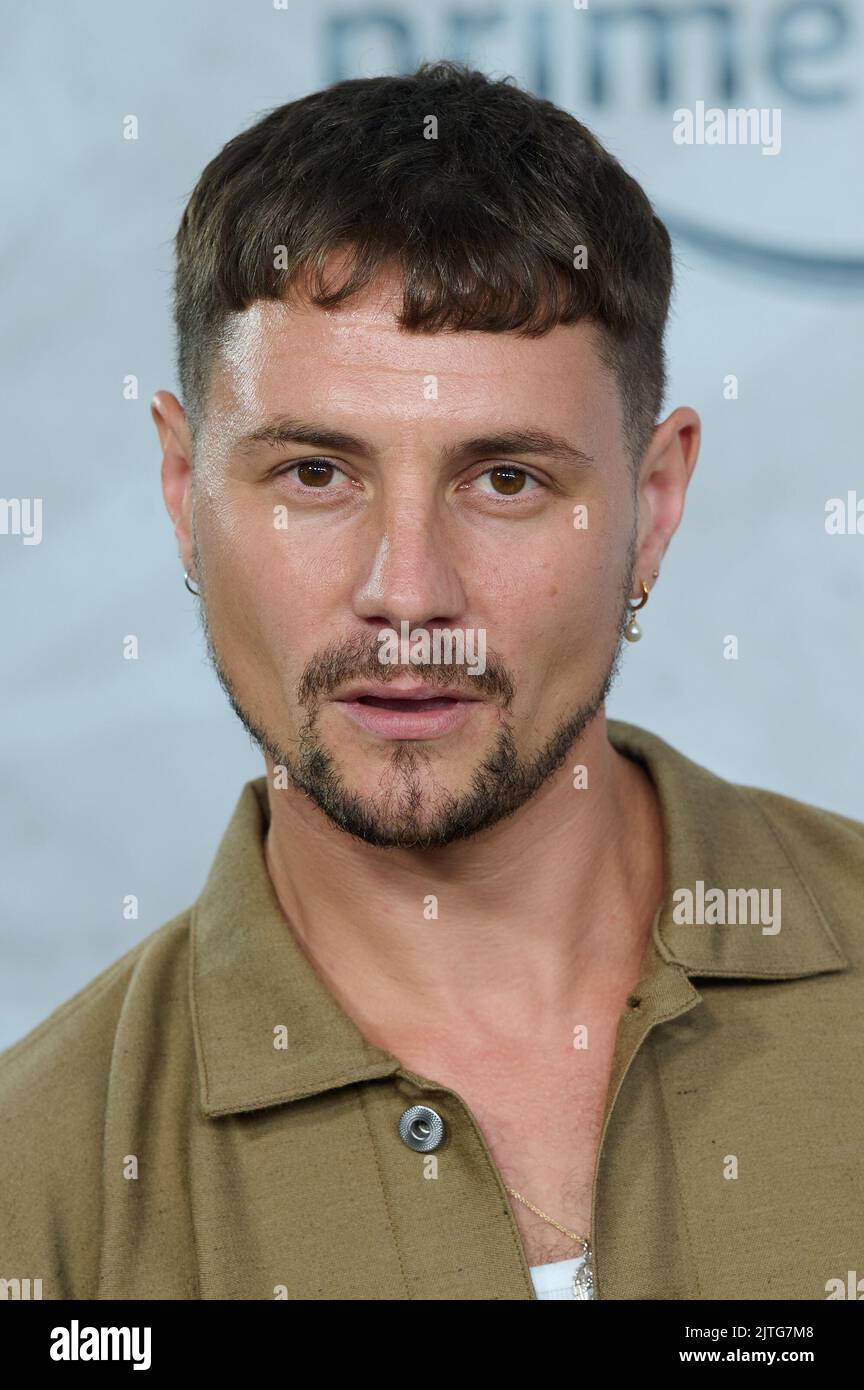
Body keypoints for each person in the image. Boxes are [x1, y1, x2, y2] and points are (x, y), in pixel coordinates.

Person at [1, 61, 861, 1303]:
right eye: (313, 474)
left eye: (506, 479)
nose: (408, 593)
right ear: (185, 495)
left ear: (653, 506)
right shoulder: (43, 1198)